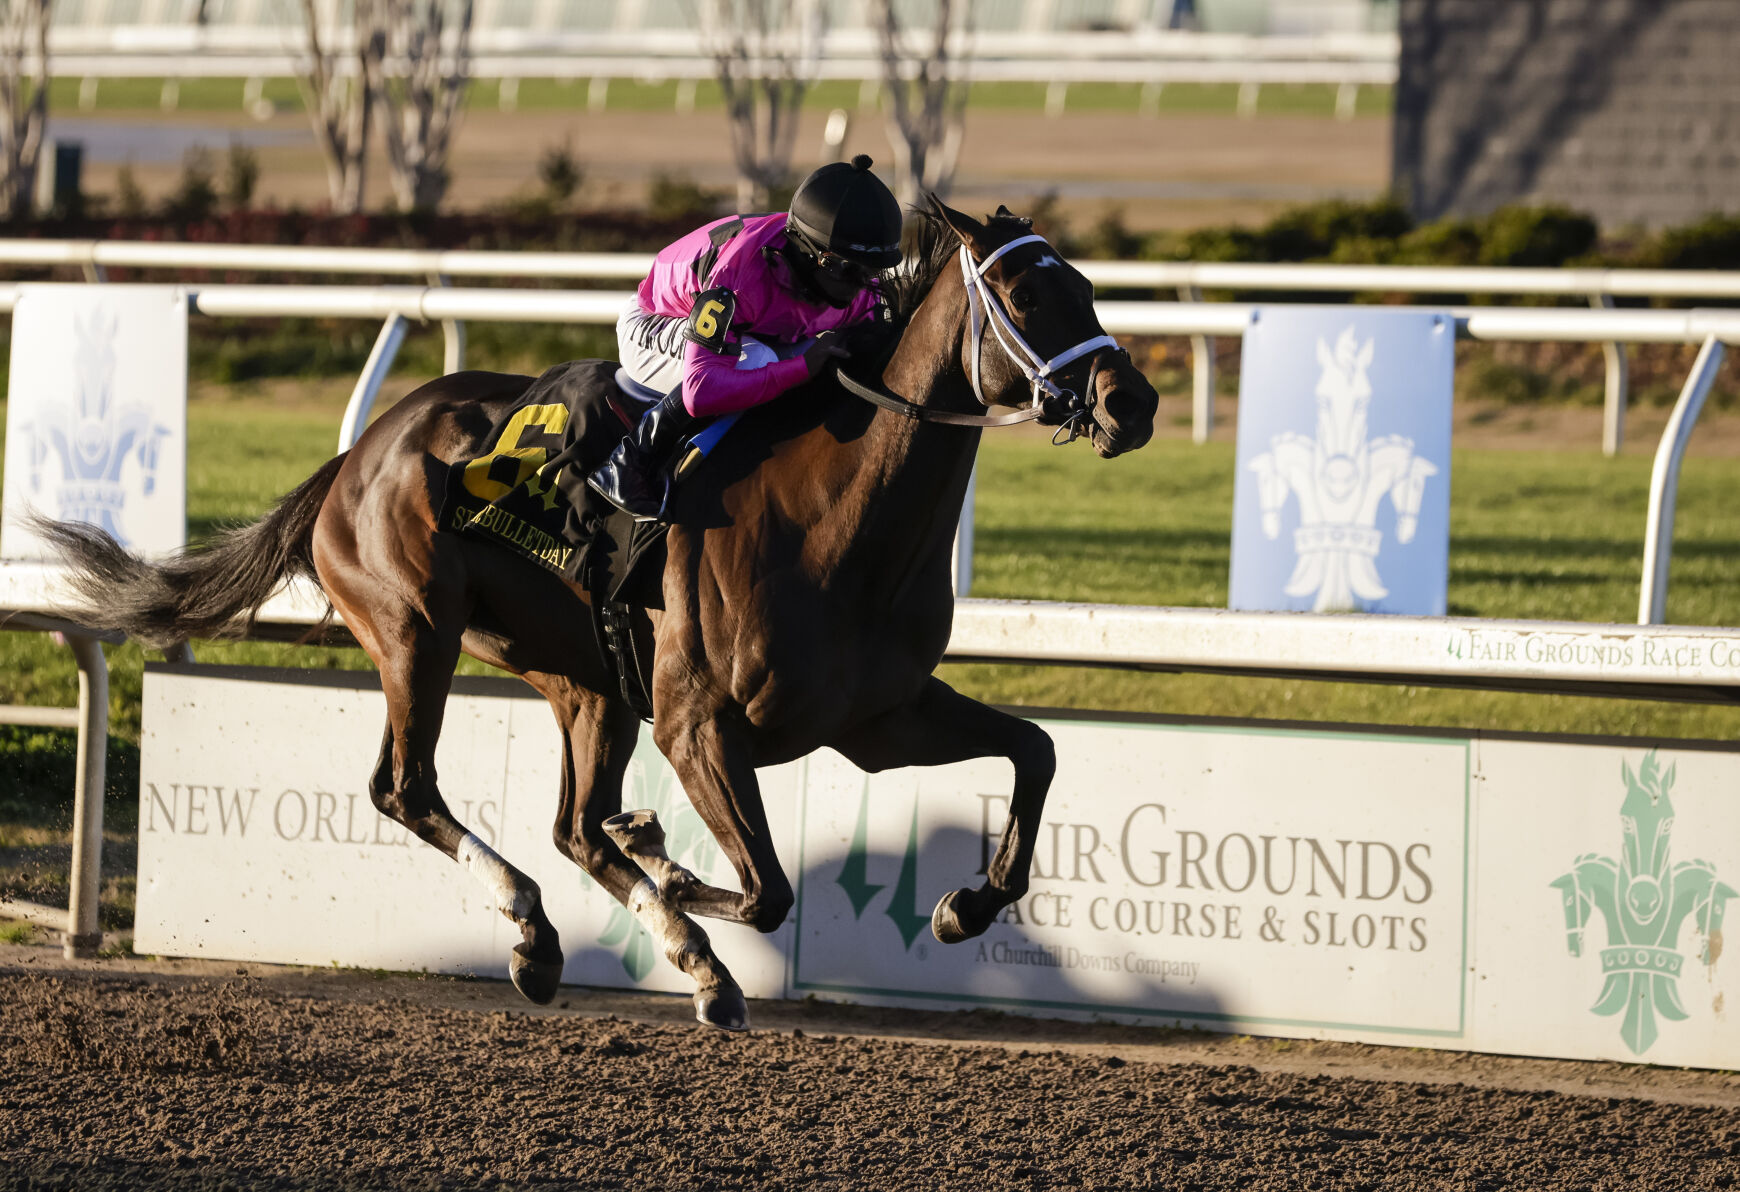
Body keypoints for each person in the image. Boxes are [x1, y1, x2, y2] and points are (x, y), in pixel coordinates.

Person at [587, 154, 903, 518]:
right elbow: (700, 390)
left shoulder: (857, 283)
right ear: (813, 254)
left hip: (752, 330)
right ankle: (630, 460)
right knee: (756, 360)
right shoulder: (740, 274)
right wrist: (802, 366)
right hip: (654, 321)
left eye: (872, 272)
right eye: (849, 271)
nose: (861, 287)